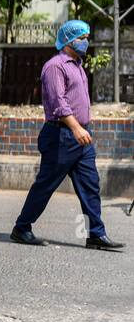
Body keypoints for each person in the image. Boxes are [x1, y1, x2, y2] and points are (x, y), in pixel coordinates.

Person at [11, 19, 124, 251]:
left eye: (86, 37)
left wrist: (82, 129)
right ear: (69, 41)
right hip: (61, 135)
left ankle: (95, 234)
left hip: (81, 137)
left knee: (90, 184)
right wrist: (75, 127)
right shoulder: (55, 66)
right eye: (81, 38)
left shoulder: (77, 65)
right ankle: (21, 228)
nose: (86, 41)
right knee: (46, 185)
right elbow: (58, 103)